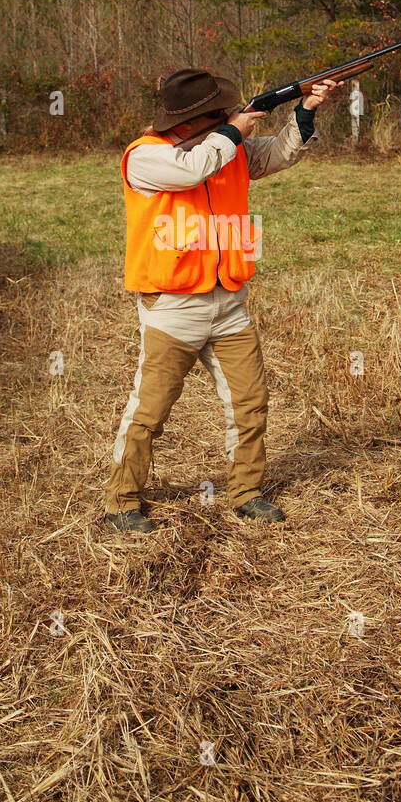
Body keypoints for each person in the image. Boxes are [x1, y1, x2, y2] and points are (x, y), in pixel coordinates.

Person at [105, 66, 341, 533]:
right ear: (192, 120)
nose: (229, 117)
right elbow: (193, 169)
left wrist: (305, 110)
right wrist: (235, 128)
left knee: (250, 401)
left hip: (229, 299)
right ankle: (122, 500)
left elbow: (276, 155)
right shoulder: (144, 157)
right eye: (219, 113)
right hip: (174, 305)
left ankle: (246, 493)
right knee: (150, 411)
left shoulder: (224, 148)